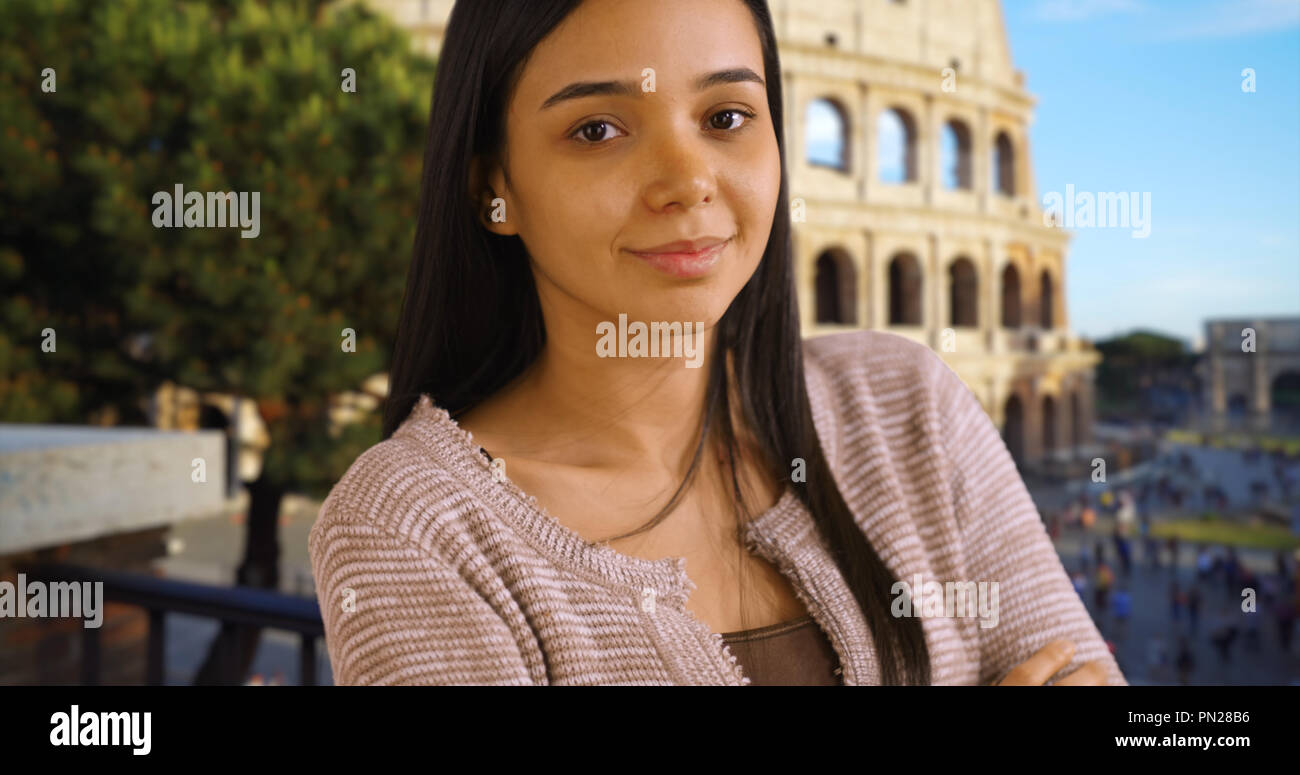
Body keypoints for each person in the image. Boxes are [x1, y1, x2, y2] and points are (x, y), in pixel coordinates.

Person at [304, 0, 1124, 687]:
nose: (688, 179)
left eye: (727, 116)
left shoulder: (910, 406)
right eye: (597, 129)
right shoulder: (408, 530)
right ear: (494, 188)